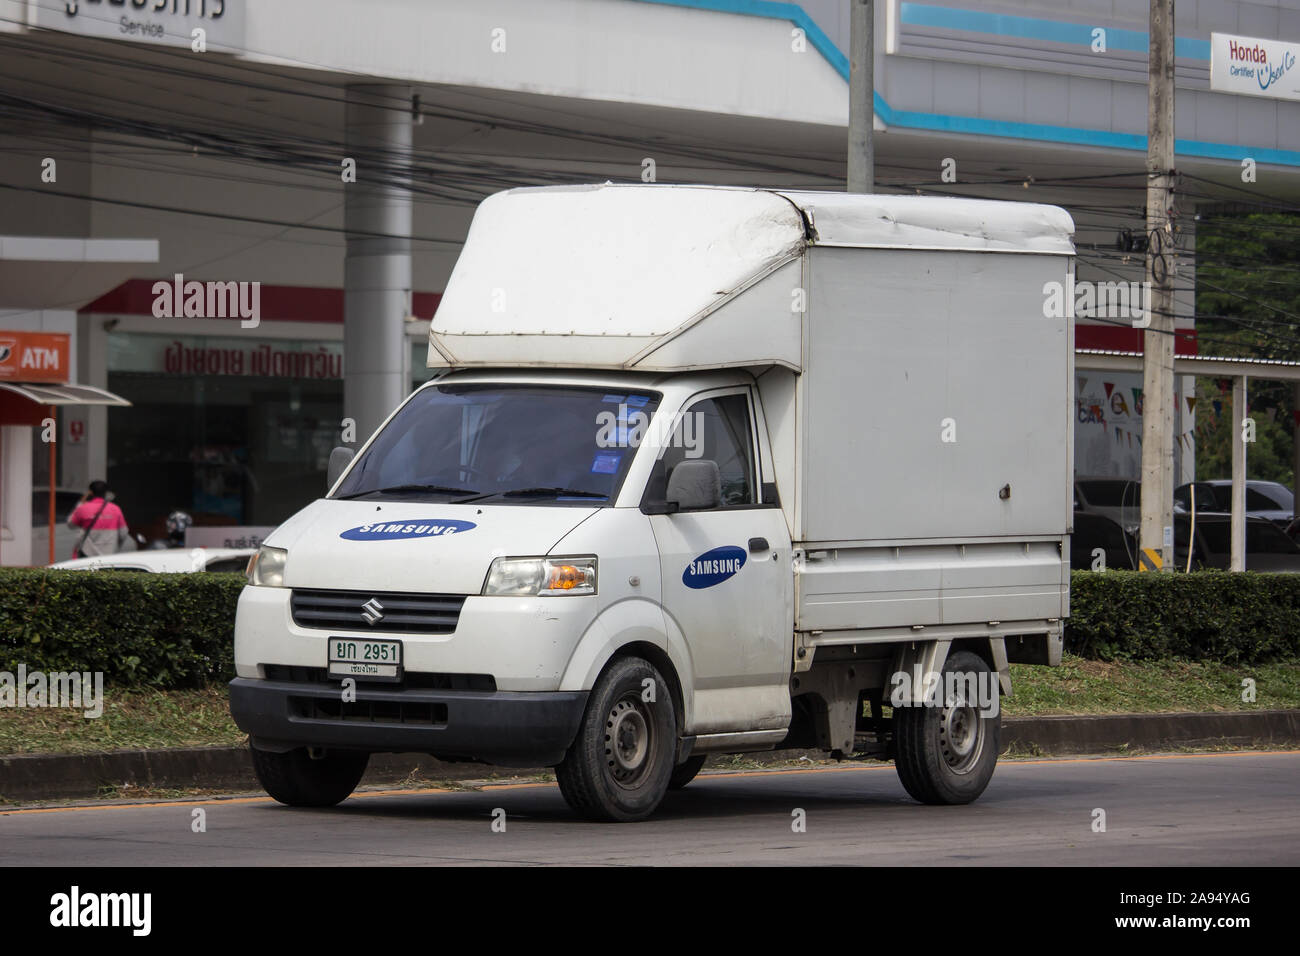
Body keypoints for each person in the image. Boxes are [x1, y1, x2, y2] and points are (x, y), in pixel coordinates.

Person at [66, 481, 131, 557]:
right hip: (108, 556)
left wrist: (81, 502)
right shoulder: (115, 509)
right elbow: (124, 532)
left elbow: (70, 524)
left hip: (87, 556)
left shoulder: (83, 508)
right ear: (106, 493)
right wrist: (116, 546)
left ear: (90, 492)